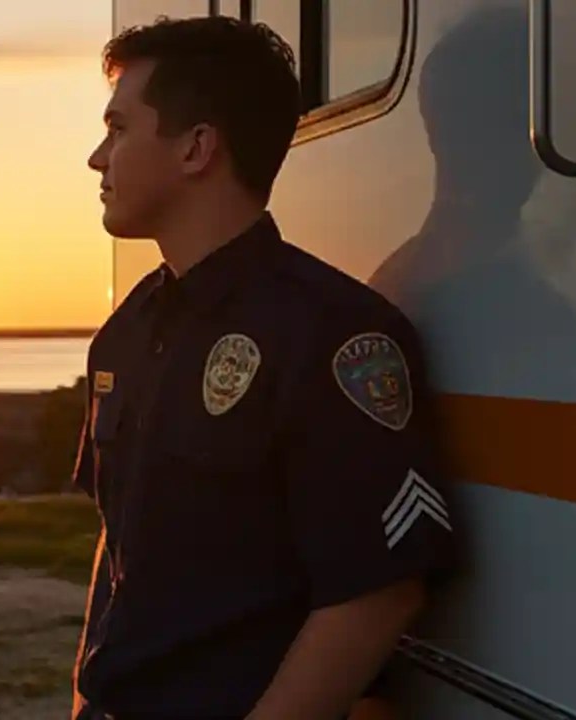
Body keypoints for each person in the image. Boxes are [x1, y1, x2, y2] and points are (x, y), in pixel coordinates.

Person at [70, 15, 453, 720]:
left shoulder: (332, 335)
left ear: (196, 148)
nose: (99, 158)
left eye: (119, 129)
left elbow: (378, 590)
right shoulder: (124, 337)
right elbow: (115, 548)